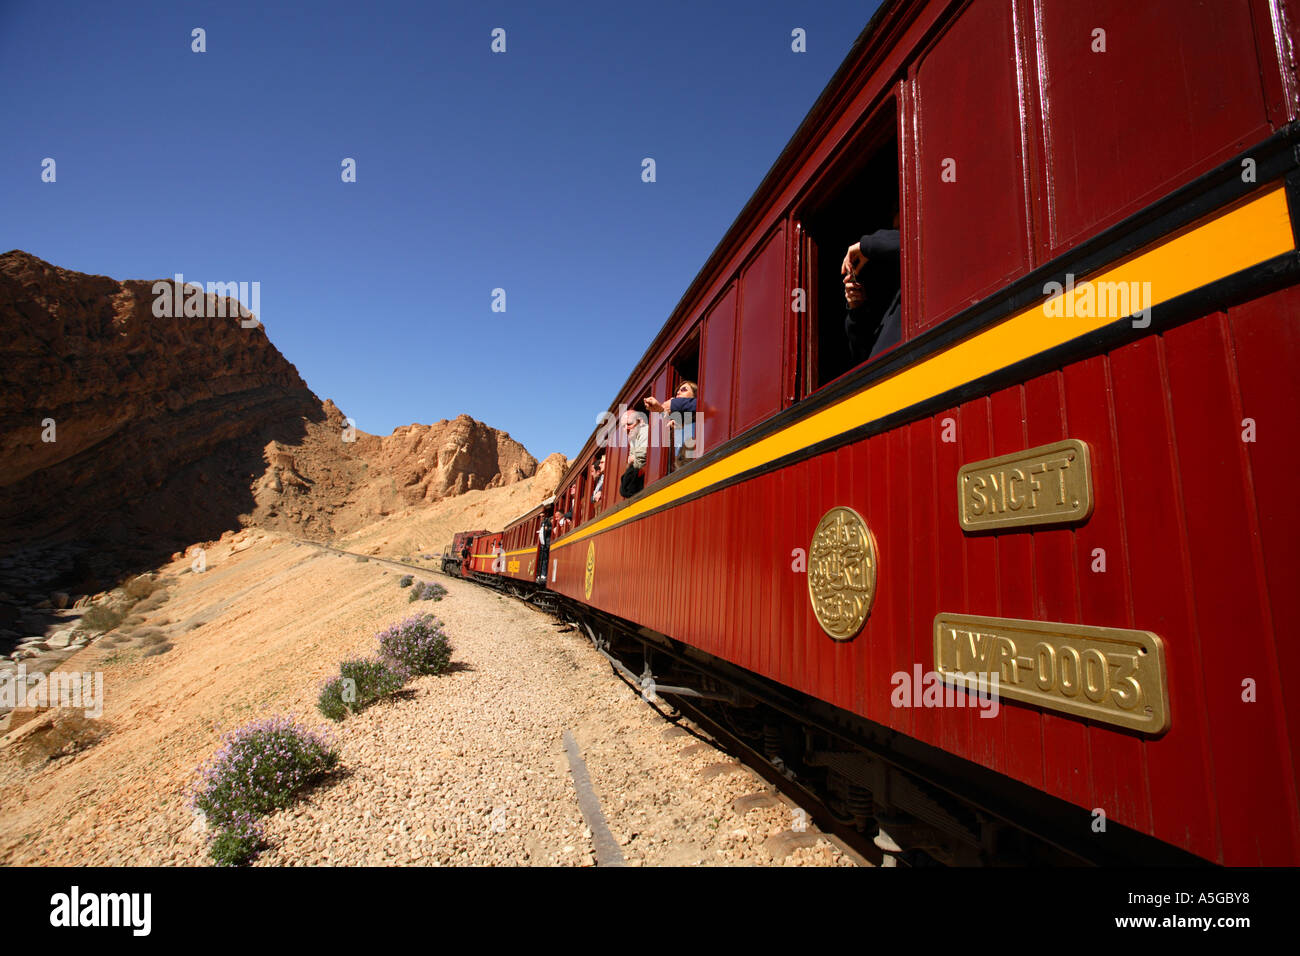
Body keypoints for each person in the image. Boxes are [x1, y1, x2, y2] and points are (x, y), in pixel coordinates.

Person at [841, 210, 902, 365]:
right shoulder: (890, 296)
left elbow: (920, 237)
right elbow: (861, 354)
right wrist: (857, 310)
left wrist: (866, 245)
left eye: (897, 232)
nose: (890, 238)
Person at [644, 381, 697, 469]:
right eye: (677, 392)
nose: (678, 393)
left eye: (684, 389)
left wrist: (672, 405)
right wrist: (661, 409)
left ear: (694, 395)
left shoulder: (698, 418)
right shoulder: (676, 424)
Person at [619, 410, 648, 498]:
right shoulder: (633, 438)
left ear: (640, 421)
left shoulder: (645, 430)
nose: (626, 428)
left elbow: (641, 459)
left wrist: (633, 459)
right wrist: (633, 459)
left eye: (629, 424)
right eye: (624, 426)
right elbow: (631, 460)